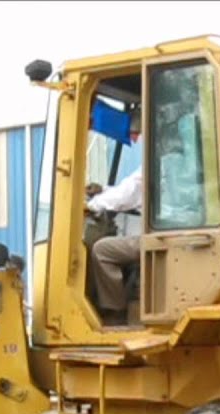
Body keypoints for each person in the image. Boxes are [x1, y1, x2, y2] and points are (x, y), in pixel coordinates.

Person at [86, 110, 143, 326]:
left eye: (136, 133)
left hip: (158, 240)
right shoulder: (175, 162)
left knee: (102, 250)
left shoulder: (156, 165)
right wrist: (103, 191)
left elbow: (127, 194)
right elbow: (127, 192)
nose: (134, 139)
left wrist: (92, 205)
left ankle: (116, 312)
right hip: (172, 234)